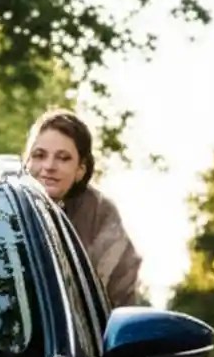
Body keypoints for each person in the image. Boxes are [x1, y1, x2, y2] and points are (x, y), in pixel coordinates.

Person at [23, 108, 144, 308]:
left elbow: (120, 307)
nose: (49, 165)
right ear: (26, 161)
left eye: (63, 158)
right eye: (39, 155)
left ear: (81, 169)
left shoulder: (100, 216)